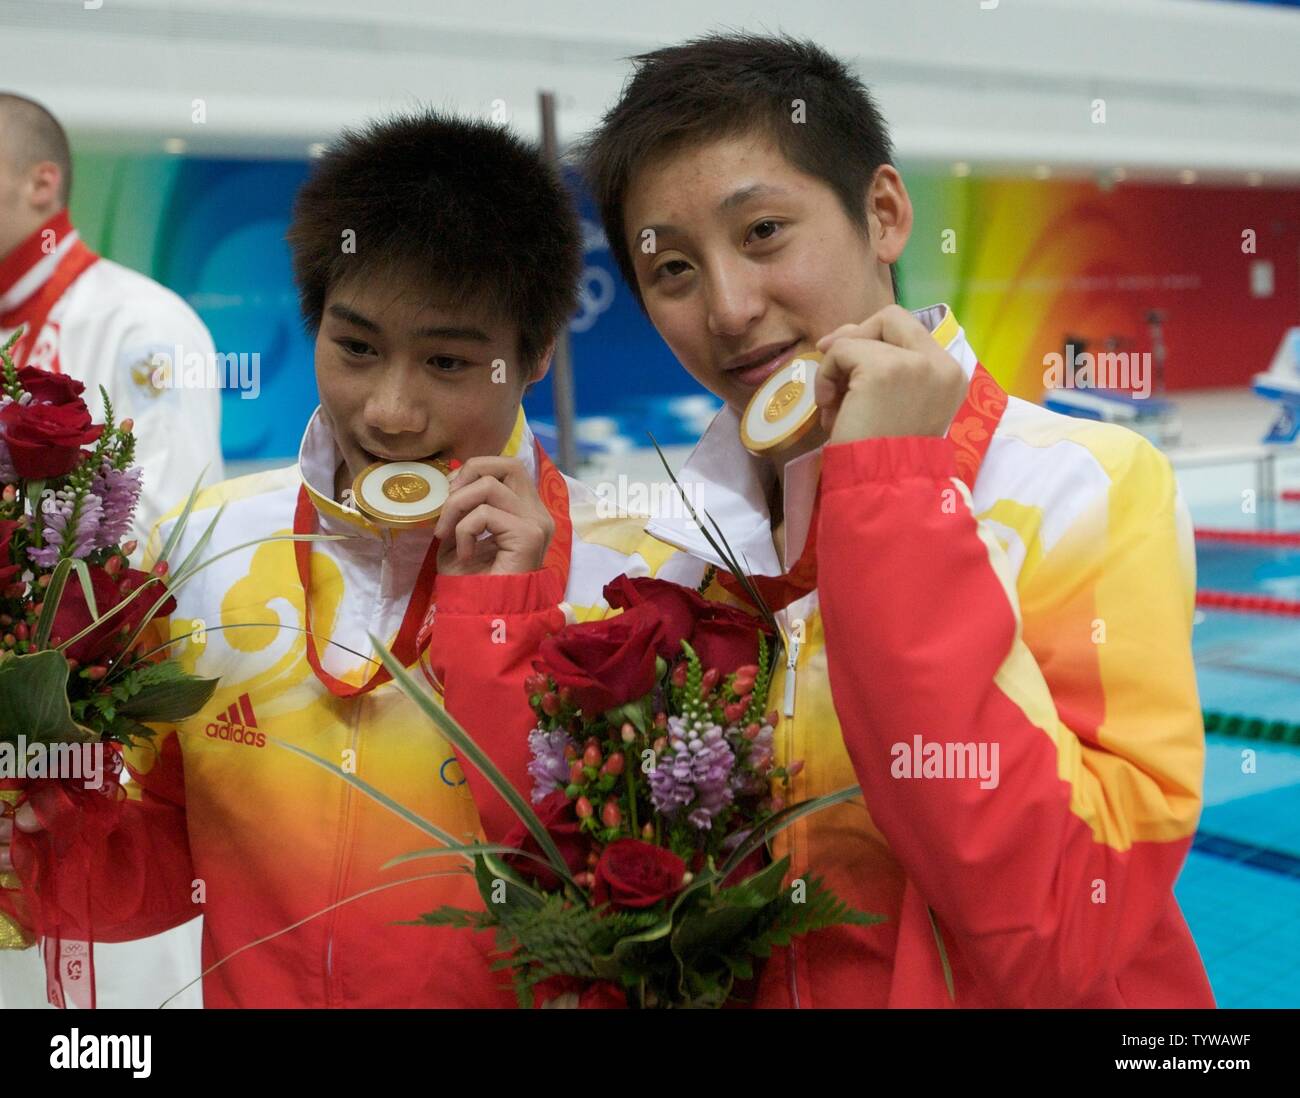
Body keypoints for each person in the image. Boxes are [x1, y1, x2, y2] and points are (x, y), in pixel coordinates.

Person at [572, 31, 1216, 1008]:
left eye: (762, 234)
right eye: (673, 271)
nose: (731, 308)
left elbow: (1062, 928)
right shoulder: (670, 554)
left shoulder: (1084, 487)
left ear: (882, 213)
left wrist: (888, 489)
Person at [0, 109, 697, 1007]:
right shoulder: (211, 545)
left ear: (533, 357)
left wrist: (503, 619)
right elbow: (163, 857)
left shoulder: (626, 578)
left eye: (448, 362)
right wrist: (43, 824)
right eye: (357, 347)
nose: (391, 412)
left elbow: (616, 901)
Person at [0, 92, 221, 1009]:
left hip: (97, 746)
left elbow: (142, 562)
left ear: (41, 183)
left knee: (100, 995)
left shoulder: (143, 327)